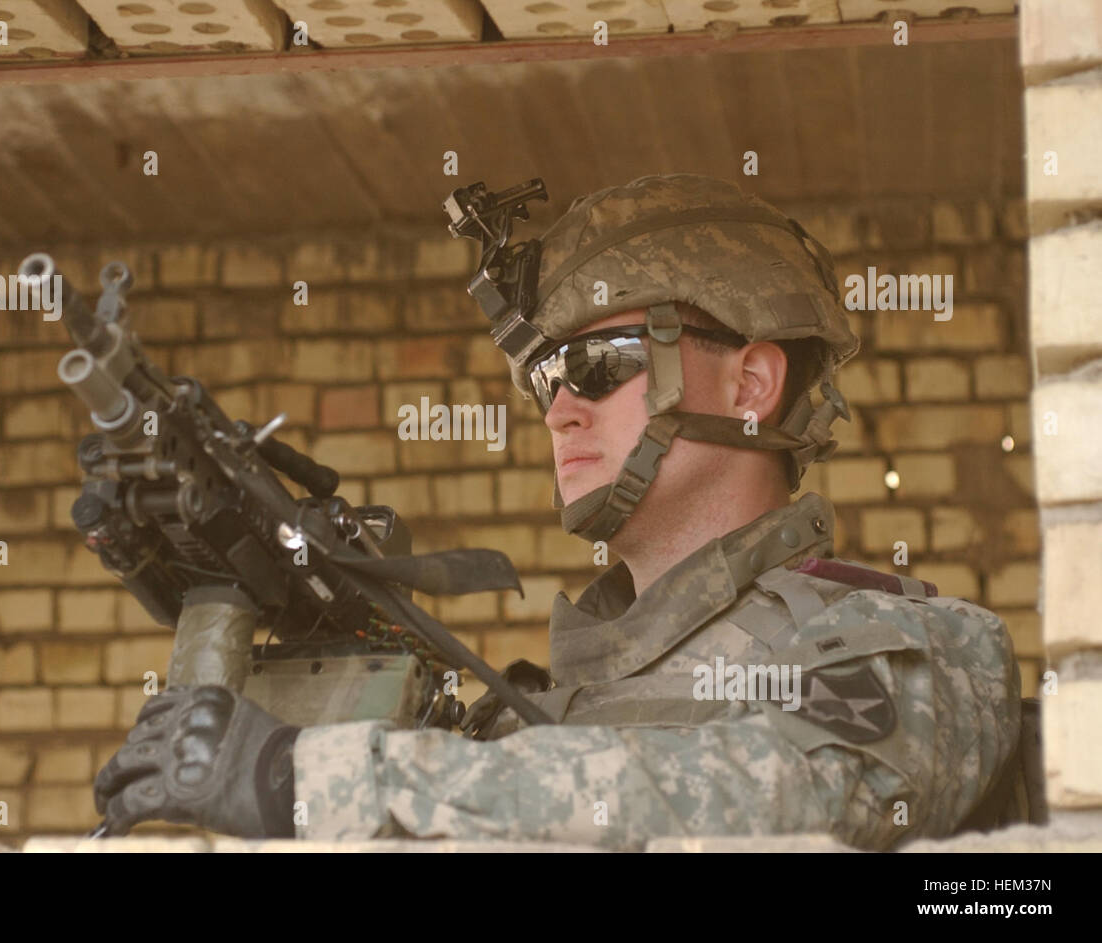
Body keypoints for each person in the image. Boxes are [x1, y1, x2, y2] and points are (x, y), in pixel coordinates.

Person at [93, 174, 1022, 851]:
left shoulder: (908, 643)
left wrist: (325, 777)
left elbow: (794, 803)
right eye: (544, 375)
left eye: (599, 362)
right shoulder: (515, 720)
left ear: (751, 383)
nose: (560, 407)